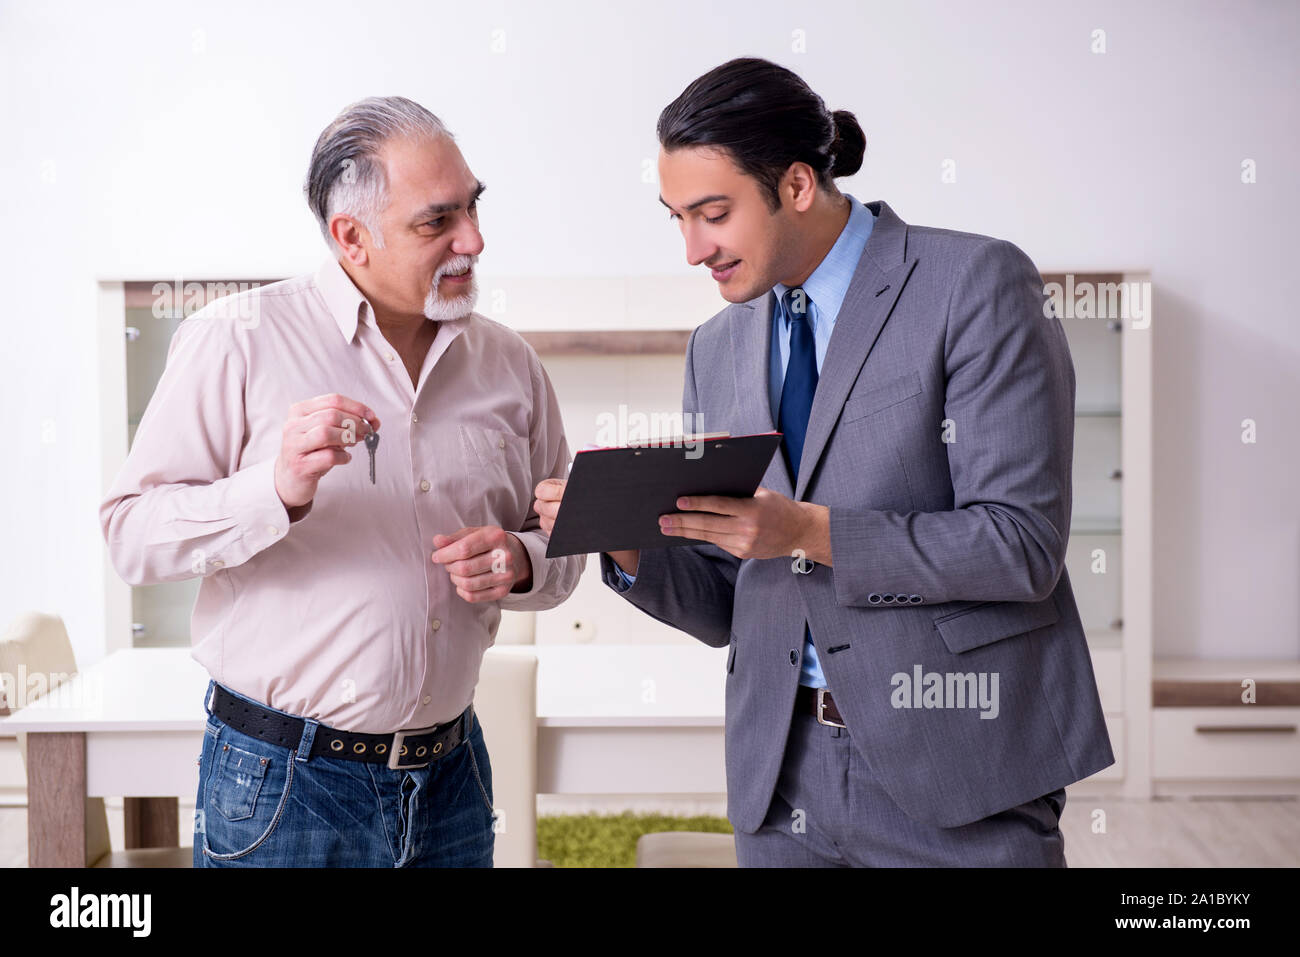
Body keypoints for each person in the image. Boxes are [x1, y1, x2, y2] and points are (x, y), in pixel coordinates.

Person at [535, 58, 1113, 867]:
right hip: (781, 778)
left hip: (959, 771)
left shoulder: (974, 283)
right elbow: (727, 603)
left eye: (713, 213)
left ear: (798, 185)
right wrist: (623, 536)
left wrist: (806, 528)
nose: (694, 249)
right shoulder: (719, 346)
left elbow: (1018, 546)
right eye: (676, 219)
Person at [100, 95, 584, 867]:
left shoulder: (511, 365)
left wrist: (523, 561)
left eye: (473, 208)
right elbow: (130, 537)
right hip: (283, 787)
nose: (474, 240)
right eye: (438, 221)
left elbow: (565, 546)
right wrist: (276, 489)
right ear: (350, 237)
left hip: (453, 781)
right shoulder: (235, 340)